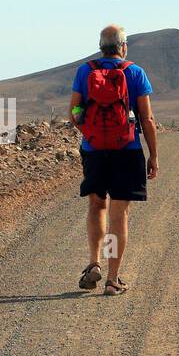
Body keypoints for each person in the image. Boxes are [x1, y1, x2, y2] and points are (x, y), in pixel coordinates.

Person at [68, 25, 157, 295]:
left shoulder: (85, 71)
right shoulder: (135, 72)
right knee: (119, 215)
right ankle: (112, 278)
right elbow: (147, 118)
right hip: (127, 150)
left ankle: (94, 263)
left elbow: (74, 111)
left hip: (94, 150)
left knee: (97, 205)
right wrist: (153, 155)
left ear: (100, 46)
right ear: (123, 46)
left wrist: (90, 134)